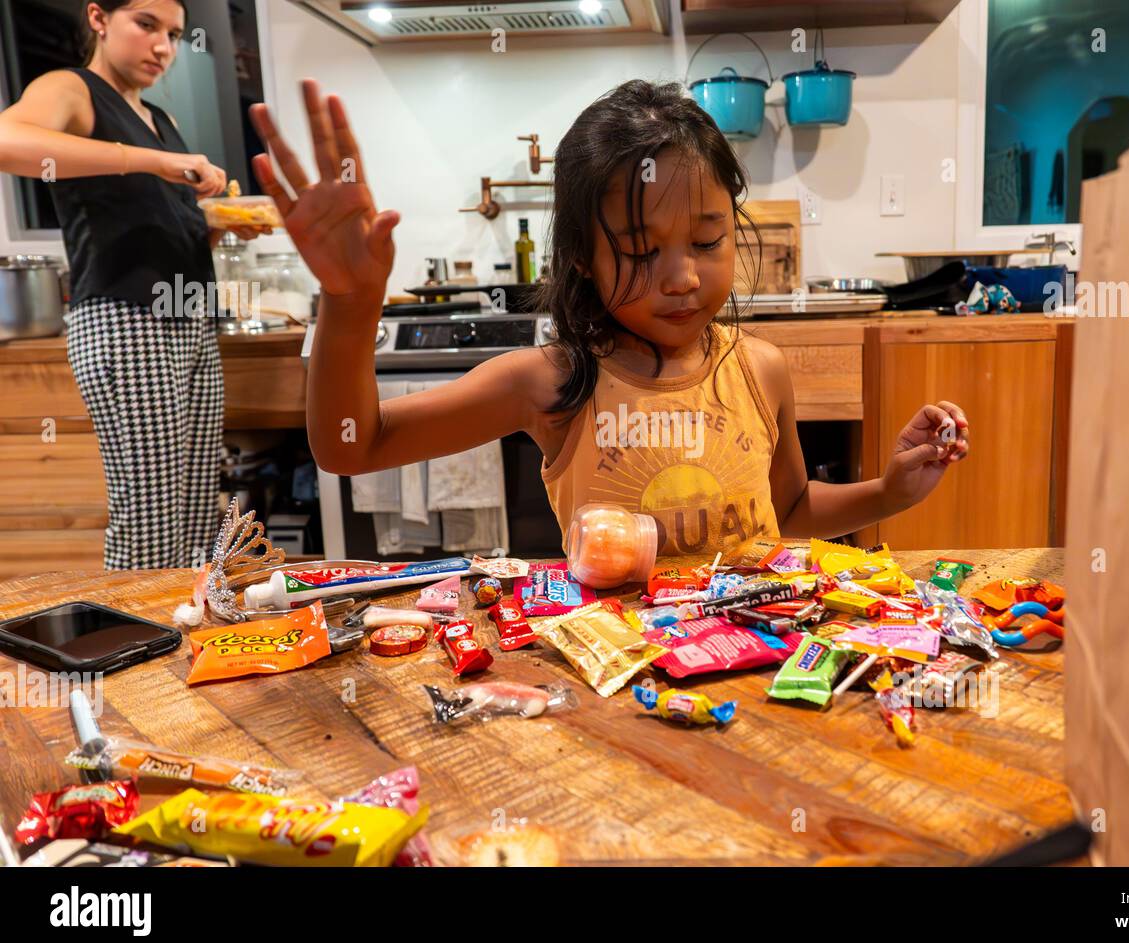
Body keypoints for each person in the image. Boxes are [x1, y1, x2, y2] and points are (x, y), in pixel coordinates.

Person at [251, 78, 971, 556]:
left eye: (708, 240)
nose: (683, 276)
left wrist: (887, 490)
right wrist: (349, 307)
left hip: (749, 673)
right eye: (638, 249)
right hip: (615, 687)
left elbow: (788, 511)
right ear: (580, 260)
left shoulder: (761, 368)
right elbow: (353, 448)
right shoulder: (553, 381)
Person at [0, 0, 268, 569]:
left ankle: (193, 632)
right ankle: (138, 648)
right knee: (149, 515)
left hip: (189, 320)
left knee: (197, 513)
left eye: (173, 33)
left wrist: (218, 220)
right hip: (126, 323)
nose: (164, 47)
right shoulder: (72, 89)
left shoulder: (161, 124)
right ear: (99, 18)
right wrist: (153, 162)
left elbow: (159, 230)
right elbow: (7, 141)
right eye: (146, 25)